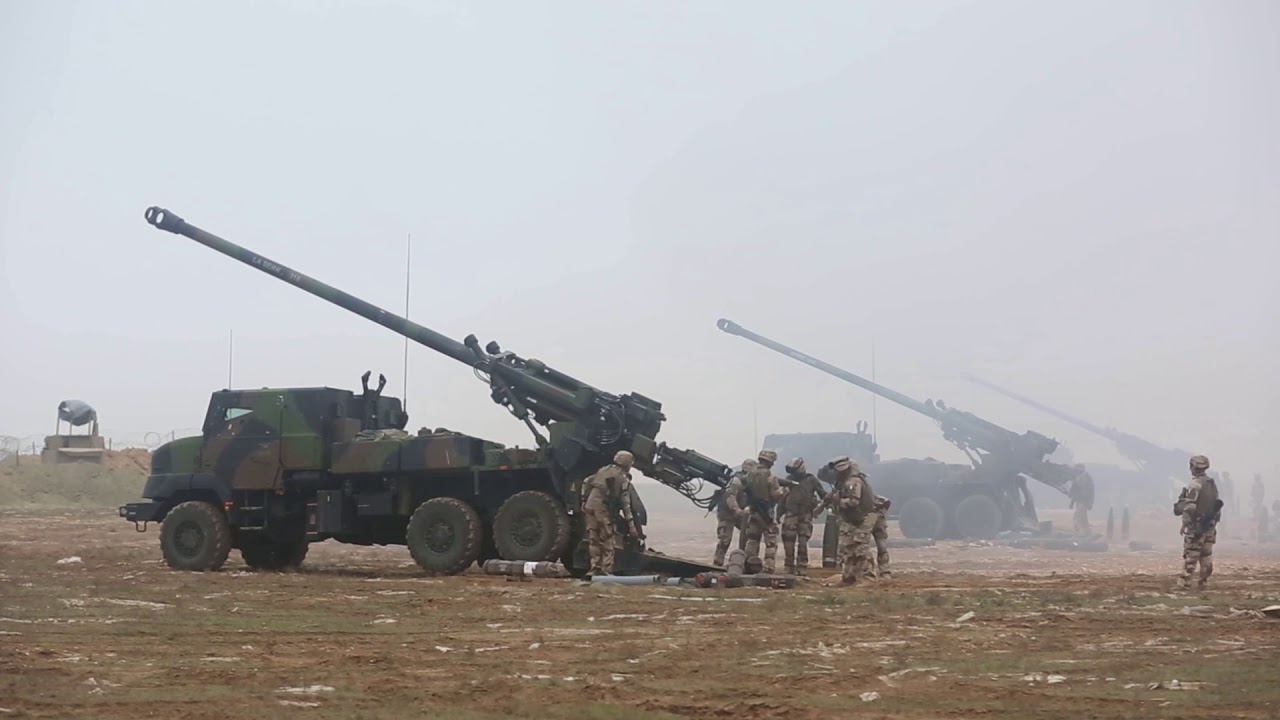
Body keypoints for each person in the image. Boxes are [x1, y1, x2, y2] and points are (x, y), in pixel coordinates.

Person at [581, 450, 637, 576]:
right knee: (608, 539)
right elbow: (625, 502)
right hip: (603, 508)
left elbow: (586, 481)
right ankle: (606, 570)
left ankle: (594, 568)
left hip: (590, 505)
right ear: (627, 463)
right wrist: (631, 524)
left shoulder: (603, 470)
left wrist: (584, 500)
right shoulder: (623, 478)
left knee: (593, 538)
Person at [825, 456, 876, 586]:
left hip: (863, 517)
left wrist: (838, 501)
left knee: (861, 548)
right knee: (848, 547)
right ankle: (848, 577)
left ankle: (868, 578)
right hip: (852, 519)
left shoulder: (853, 482)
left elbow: (854, 501)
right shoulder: (844, 483)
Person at [1173, 454, 1222, 590]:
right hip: (1210, 525)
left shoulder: (1195, 484)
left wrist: (1186, 523)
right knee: (1206, 554)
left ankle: (1185, 583)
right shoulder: (1211, 484)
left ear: (1192, 467)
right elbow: (1217, 505)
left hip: (1197, 525)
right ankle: (1204, 582)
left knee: (1191, 554)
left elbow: (1190, 506)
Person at [742, 449, 785, 573]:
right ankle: (768, 568)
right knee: (771, 542)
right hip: (766, 513)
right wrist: (783, 492)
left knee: (752, 540)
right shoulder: (771, 477)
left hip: (753, 511)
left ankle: (748, 567)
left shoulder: (748, 475)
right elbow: (775, 494)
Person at [778, 458, 824, 575]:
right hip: (791, 514)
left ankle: (802, 565)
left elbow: (823, 495)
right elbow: (782, 498)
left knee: (803, 542)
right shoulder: (788, 480)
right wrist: (779, 514)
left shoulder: (811, 480)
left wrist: (820, 508)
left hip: (805, 515)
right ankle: (789, 566)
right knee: (788, 542)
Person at [712, 459, 754, 566]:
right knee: (725, 539)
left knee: (749, 534)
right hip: (727, 513)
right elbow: (730, 498)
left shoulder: (750, 481)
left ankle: (744, 561)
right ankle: (718, 562)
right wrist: (738, 510)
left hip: (740, 513)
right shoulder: (736, 481)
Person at [1069, 464, 1095, 537]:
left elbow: (1091, 492)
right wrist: (1072, 502)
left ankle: (1083, 533)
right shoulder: (1076, 478)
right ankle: (1086, 532)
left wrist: (1090, 503)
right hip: (1079, 500)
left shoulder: (1087, 478)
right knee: (1081, 517)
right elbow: (1074, 490)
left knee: (1080, 517)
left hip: (1084, 501)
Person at [870, 495, 891, 579]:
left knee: (881, 546)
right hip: (876, 516)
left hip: (871, 518)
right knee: (881, 545)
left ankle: (883, 571)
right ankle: (884, 572)